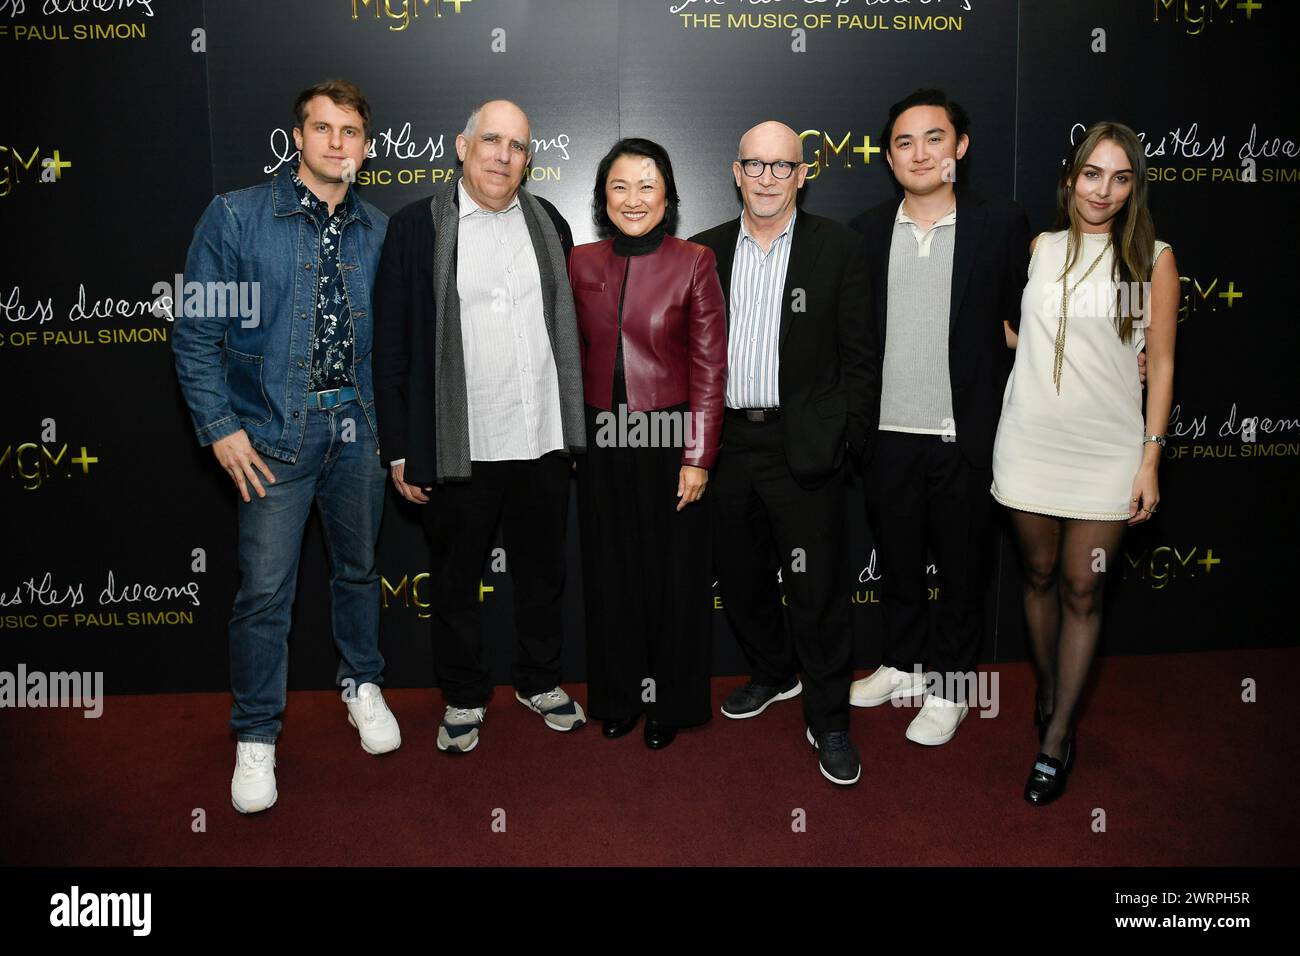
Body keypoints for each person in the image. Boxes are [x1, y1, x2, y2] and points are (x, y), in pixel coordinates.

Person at [172, 79, 399, 815]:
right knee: (265, 594)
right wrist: (220, 427)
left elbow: (393, 349)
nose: (338, 143)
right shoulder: (238, 217)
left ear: (366, 145)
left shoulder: (379, 229)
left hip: (357, 431)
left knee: (359, 572)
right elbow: (195, 331)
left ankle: (362, 685)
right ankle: (257, 735)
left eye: (351, 132)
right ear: (298, 137)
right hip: (272, 435)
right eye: (323, 129)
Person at [372, 99, 587, 754]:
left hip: (543, 437)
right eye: (491, 140)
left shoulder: (549, 222)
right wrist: (401, 449)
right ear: (462, 146)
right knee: (458, 581)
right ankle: (464, 693)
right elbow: (392, 344)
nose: (503, 155)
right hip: (458, 442)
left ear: (529, 158)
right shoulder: (417, 227)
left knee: (542, 574)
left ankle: (540, 680)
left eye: (517, 146)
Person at [992, 121, 1176, 805]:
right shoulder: (1039, 248)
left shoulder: (1150, 259)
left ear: (1133, 189)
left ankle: (1057, 734)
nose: (1104, 190)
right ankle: (1051, 690)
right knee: (1037, 576)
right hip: (1029, 440)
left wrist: (1149, 458)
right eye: (1093, 174)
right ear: (1070, 178)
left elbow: (1158, 361)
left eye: (1120, 178)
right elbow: (1015, 331)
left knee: (1081, 588)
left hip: (1106, 448)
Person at [690, 121, 872, 786]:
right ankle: (772, 671)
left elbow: (860, 356)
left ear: (803, 173)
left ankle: (828, 720)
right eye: (755, 165)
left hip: (806, 446)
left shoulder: (839, 249)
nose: (767, 178)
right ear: (736, 172)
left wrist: (846, 437)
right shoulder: (703, 252)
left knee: (817, 590)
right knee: (738, 575)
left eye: (781, 166)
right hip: (728, 441)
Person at [848, 89, 1030, 746]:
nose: (919, 152)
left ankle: (953, 685)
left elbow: (1027, 325)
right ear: (889, 156)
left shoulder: (1001, 223)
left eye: (933, 137)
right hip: (886, 435)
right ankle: (902, 664)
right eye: (904, 141)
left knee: (962, 570)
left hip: (965, 437)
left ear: (960, 146)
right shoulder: (865, 231)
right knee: (896, 563)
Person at [569, 138, 727, 749]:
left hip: (670, 436)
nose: (633, 199)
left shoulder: (695, 261)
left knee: (674, 578)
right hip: (603, 438)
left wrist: (698, 456)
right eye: (619, 186)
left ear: (668, 195)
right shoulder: (581, 261)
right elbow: (569, 354)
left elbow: (712, 366)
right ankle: (619, 697)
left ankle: (670, 703)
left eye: (647, 185)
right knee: (612, 574)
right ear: (603, 197)